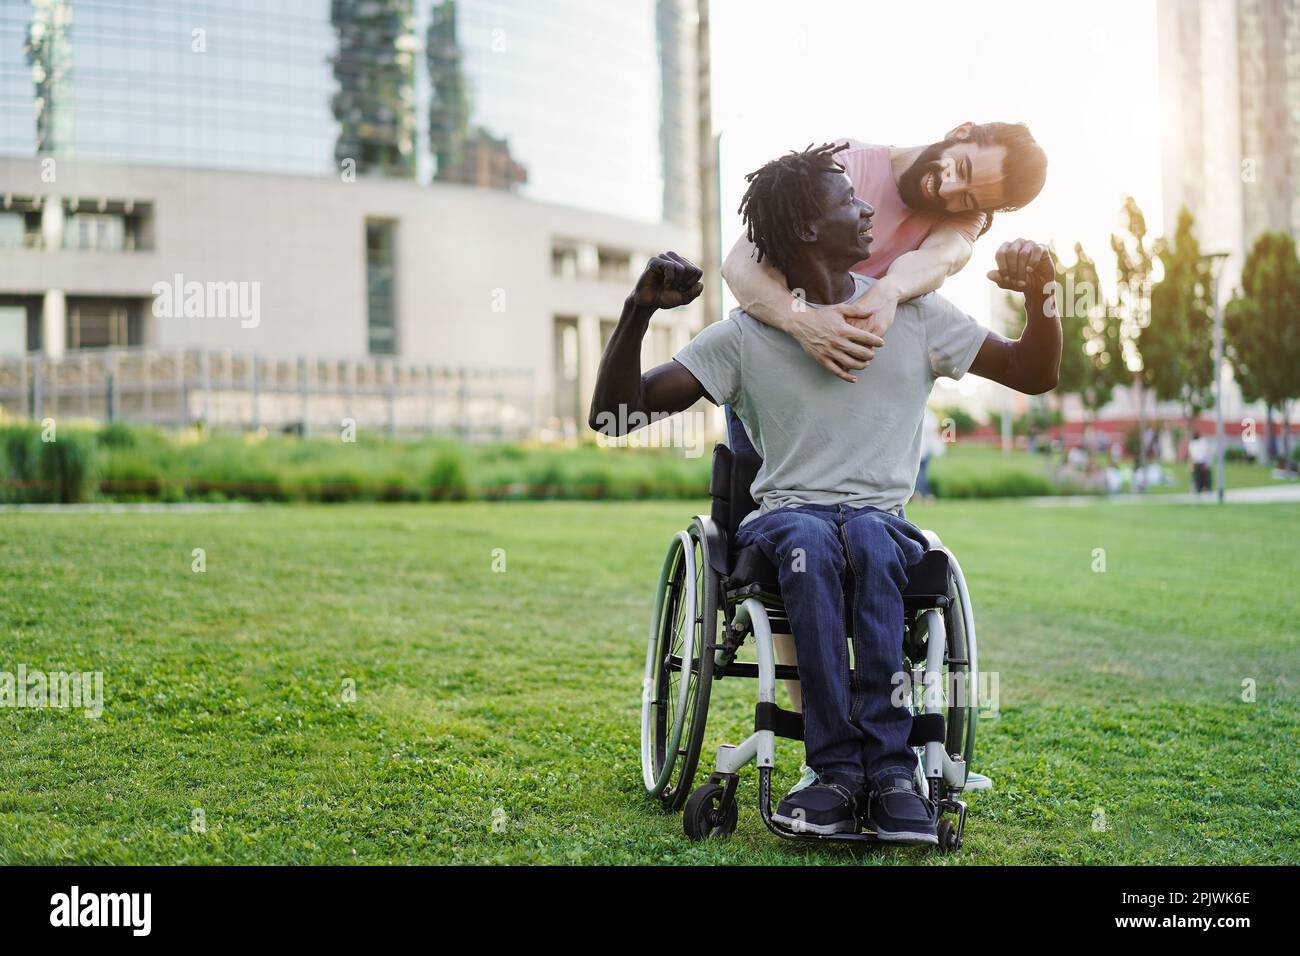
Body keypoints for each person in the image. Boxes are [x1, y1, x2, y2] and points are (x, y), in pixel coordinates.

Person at [589, 143, 1061, 843]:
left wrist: (1042, 293)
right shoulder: (746, 336)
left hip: (880, 520)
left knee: (868, 534)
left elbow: (1032, 372)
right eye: (849, 201)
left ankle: (895, 777)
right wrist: (637, 310)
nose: (870, 208)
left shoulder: (919, 316)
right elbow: (615, 414)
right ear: (810, 229)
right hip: (787, 519)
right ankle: (836, 774)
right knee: (813, 537)